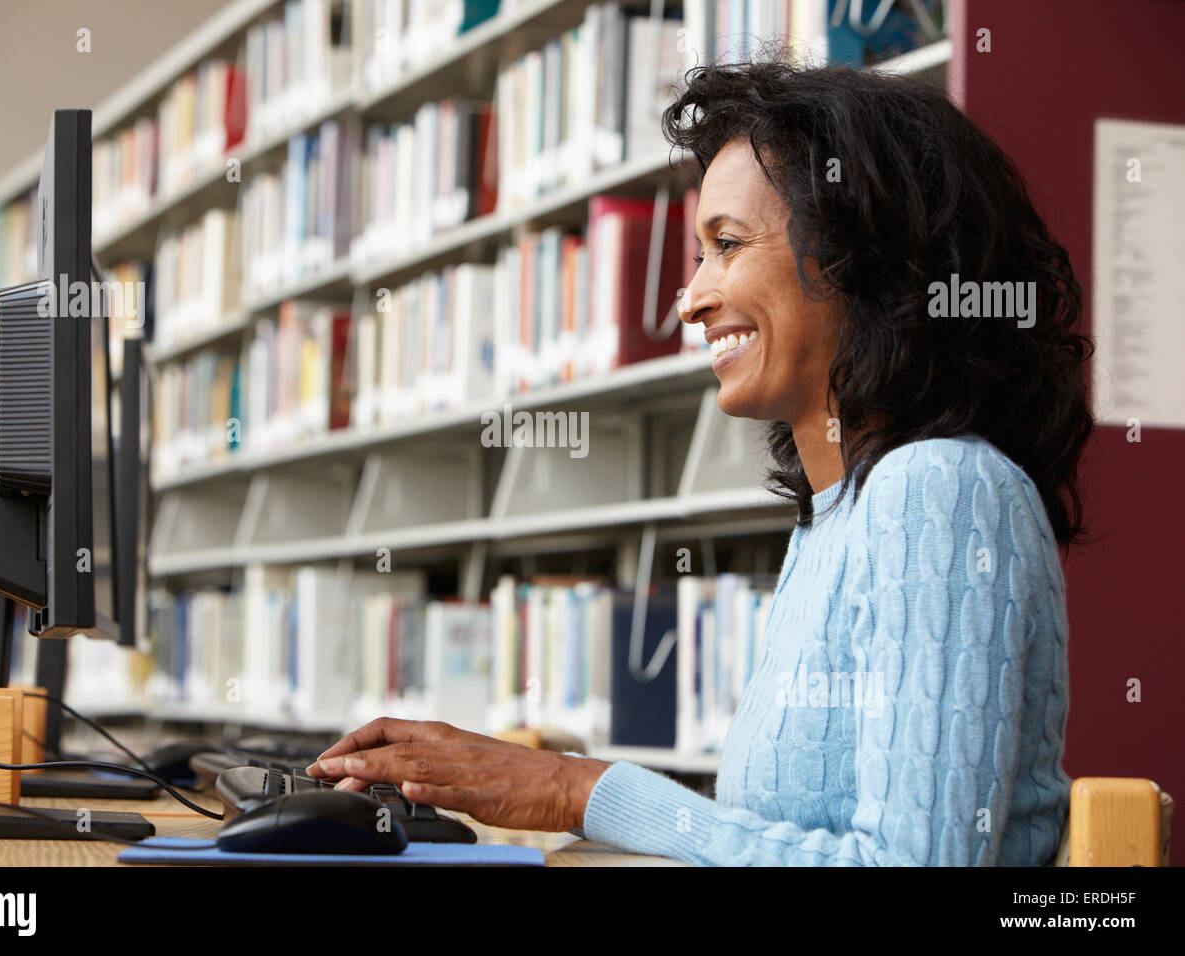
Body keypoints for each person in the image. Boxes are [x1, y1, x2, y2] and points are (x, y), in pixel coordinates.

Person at [307, 56, 1093, 866]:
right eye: (698, 255)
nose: (692, 298)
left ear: (869, 263)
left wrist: (578, 789)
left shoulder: (940, 490)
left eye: (727, 245)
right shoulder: (836, 518)